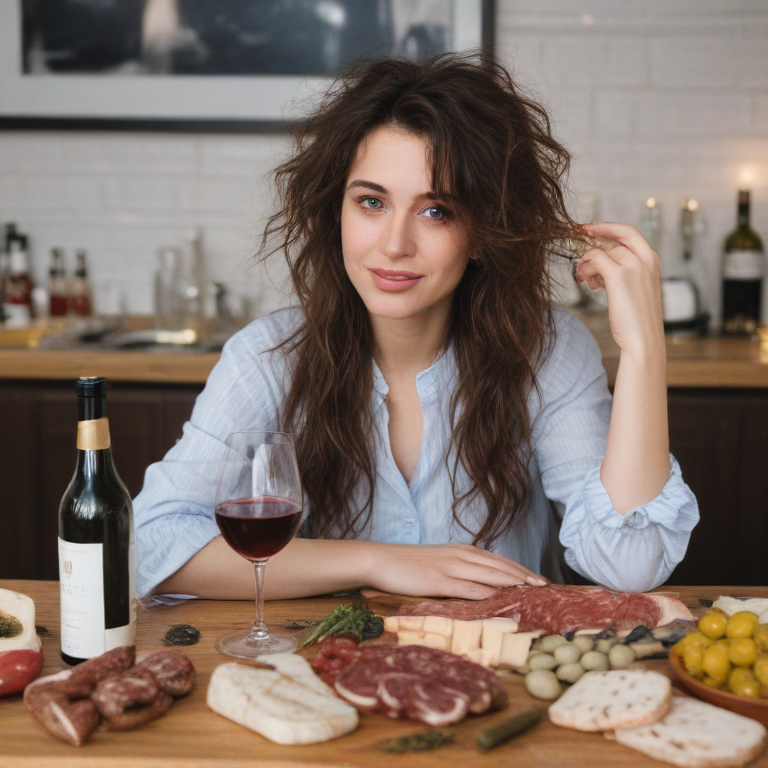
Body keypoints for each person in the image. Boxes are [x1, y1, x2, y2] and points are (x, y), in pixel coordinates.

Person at [134, 54, 698, 602]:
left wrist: (645, 351)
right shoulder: (266, 358)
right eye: (372, 202)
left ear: (484, 230)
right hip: (323, 673)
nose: (395, 244)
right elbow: (149, 544)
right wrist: (378, 560)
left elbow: (630, 566)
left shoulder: (548, 352)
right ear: (337, 211)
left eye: (437, 211)